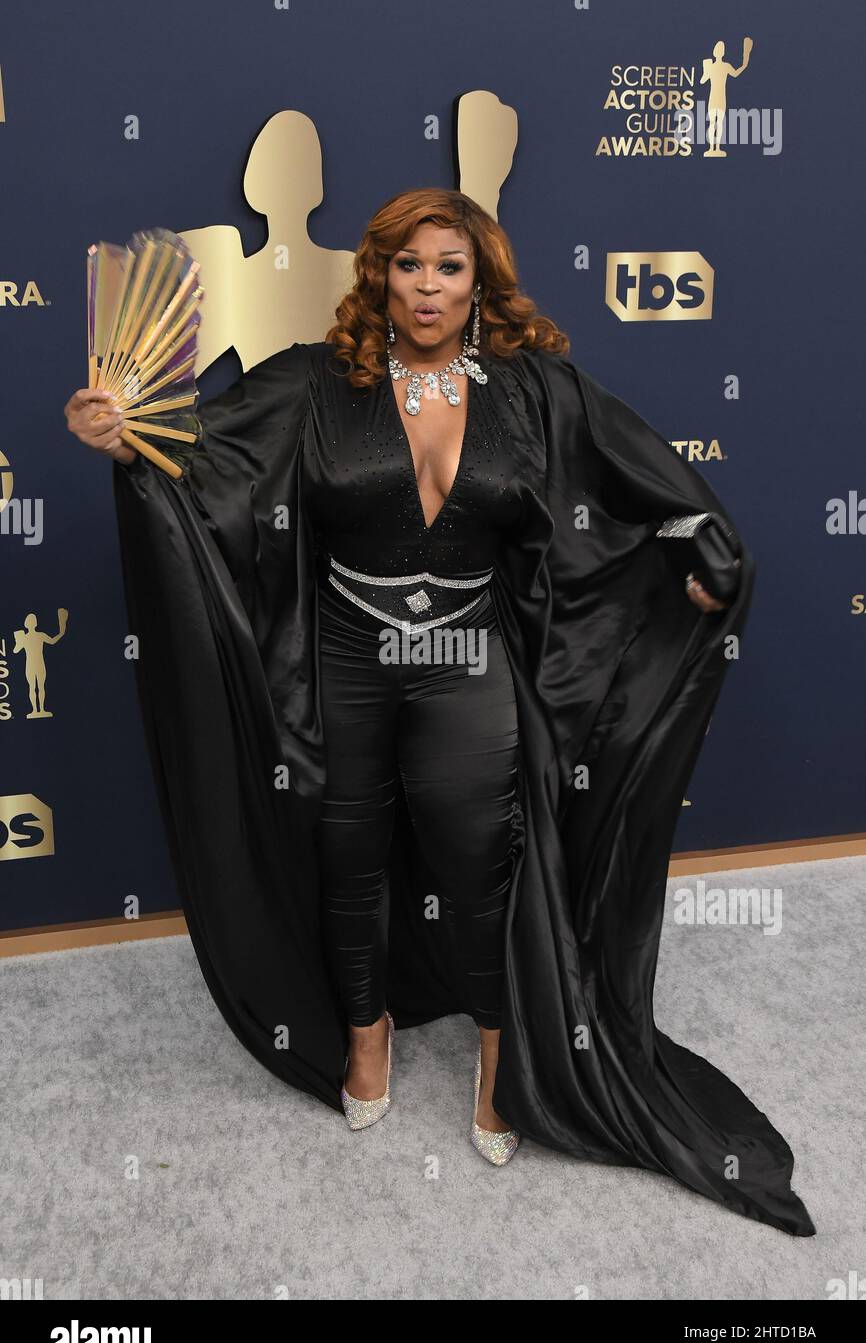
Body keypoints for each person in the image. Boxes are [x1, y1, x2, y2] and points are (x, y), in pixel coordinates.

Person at [64, 188, 815, 1234]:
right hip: (344, 656)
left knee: (482, 863)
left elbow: (643, 487)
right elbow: (204, 459)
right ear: (378, 273)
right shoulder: (315, 381)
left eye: (448, 268)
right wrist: (122, 439)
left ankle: (501, 1052)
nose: (426, 288)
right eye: (407, 265)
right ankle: (364, 1032)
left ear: (479, 281)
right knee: (349, 850)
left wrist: (699, 554)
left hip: (467, 656)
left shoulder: (532, 389)